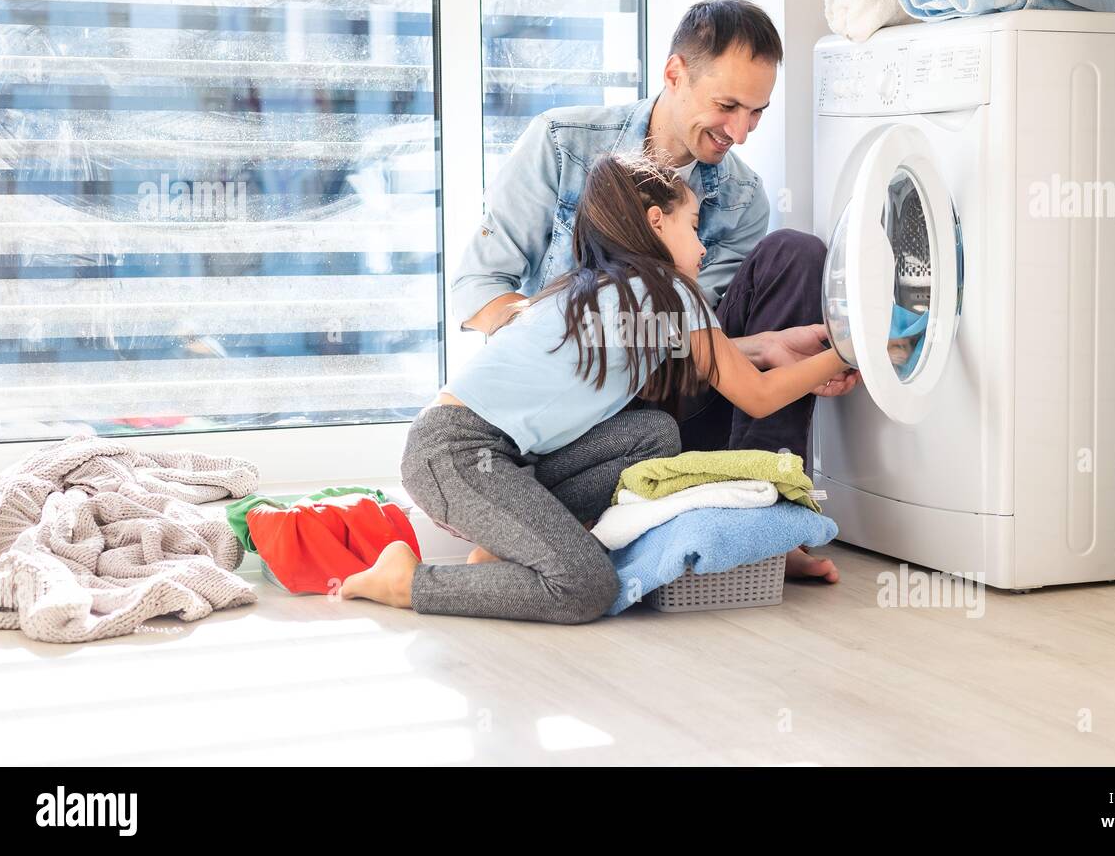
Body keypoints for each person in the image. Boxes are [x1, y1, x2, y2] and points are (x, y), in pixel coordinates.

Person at [341, 154, 854, 623]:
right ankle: (407, 582)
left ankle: (510, 549)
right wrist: (850, 351)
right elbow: (757, 397)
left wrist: (770, 344)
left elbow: (703, 355)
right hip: (457, 452)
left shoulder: (599, 290)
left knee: (652, 433)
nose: (701, 248)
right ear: (657, 222)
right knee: (586, 589)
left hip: (476, 451)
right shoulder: (673, 290)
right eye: (694, 227)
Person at [450, 0, 859, 584]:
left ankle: (767, 513)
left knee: (795, 253)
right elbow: (478, 287)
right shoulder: (562, 144)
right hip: (577, 416)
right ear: (674, 74)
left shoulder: (741, 197)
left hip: (672, 398)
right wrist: (567, 347)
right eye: (727, 106)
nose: (740, 132)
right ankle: (590, 516)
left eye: (757, 113)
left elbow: (693, 346)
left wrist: (766, 347)